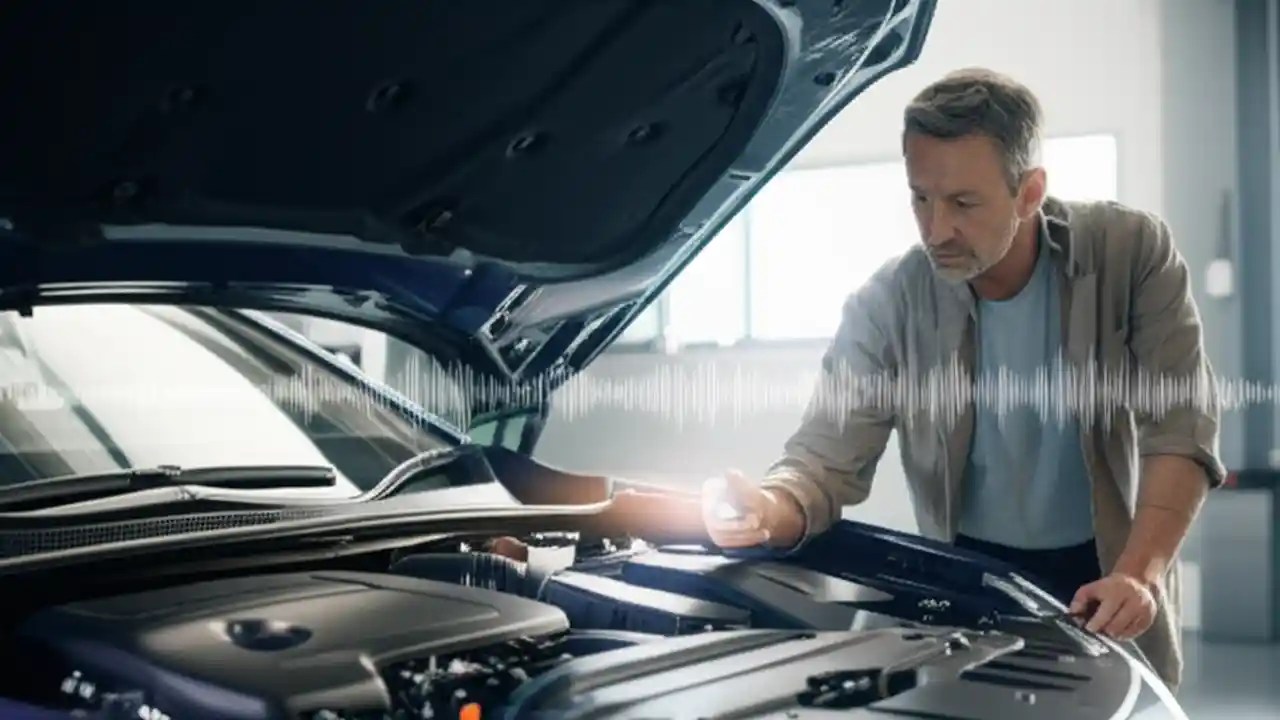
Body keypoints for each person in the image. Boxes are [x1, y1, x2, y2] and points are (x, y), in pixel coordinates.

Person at [699, 67, 1224, 693]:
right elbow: (821, 461)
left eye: (964, 203)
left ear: (1029, 192)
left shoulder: (1132, 252)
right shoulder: (888, 302)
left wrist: (1139, 574)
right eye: (921, 197)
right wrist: (767, 507)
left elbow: (1181, 431)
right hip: (970, 580)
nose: (935, 229)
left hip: (1108, 571)